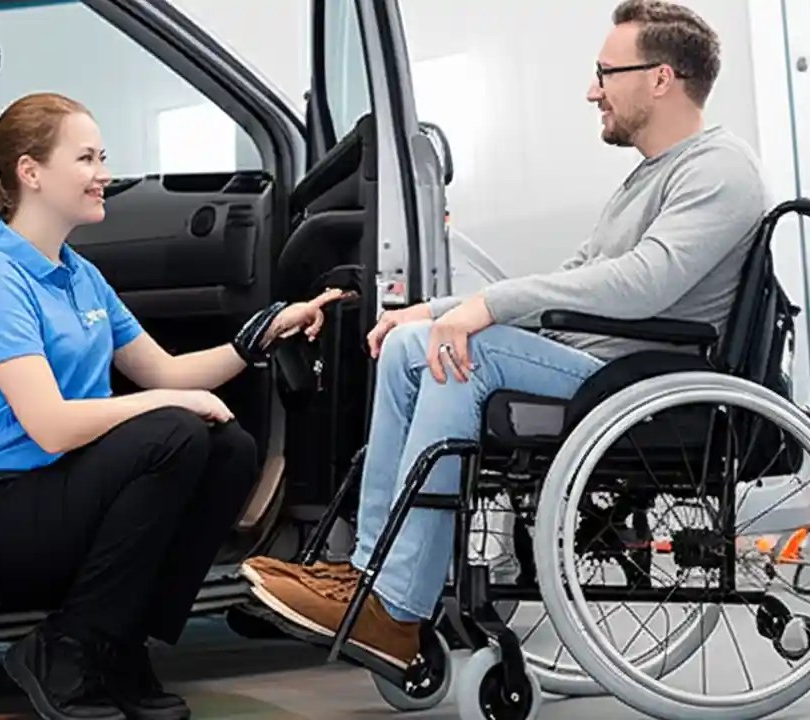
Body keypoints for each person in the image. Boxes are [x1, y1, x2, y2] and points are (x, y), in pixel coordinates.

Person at [240, 0, 773, 671]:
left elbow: (644, 284)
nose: (592, 90)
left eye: (605, 73)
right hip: (598, 366)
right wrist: (436, 308)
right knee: (412, 343)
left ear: (661, 78)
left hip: (637, 383)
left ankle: (397, 610)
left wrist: (482, 310)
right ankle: (368, 577)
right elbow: (577, 279)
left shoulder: (719, 169)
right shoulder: (652, 177)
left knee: (466, 355)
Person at [0, 92, 346, 720]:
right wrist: (171, 402)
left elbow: (167, 369)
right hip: (13, 518)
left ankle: (117, 645)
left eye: (102, 156)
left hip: (73, 494)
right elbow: (50, 426)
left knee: (231, 447)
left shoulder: (81, 275)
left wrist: (262, 333)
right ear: (31, 173)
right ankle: (66, 650)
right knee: (176, 432)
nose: (103, 172)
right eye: (86, 158)